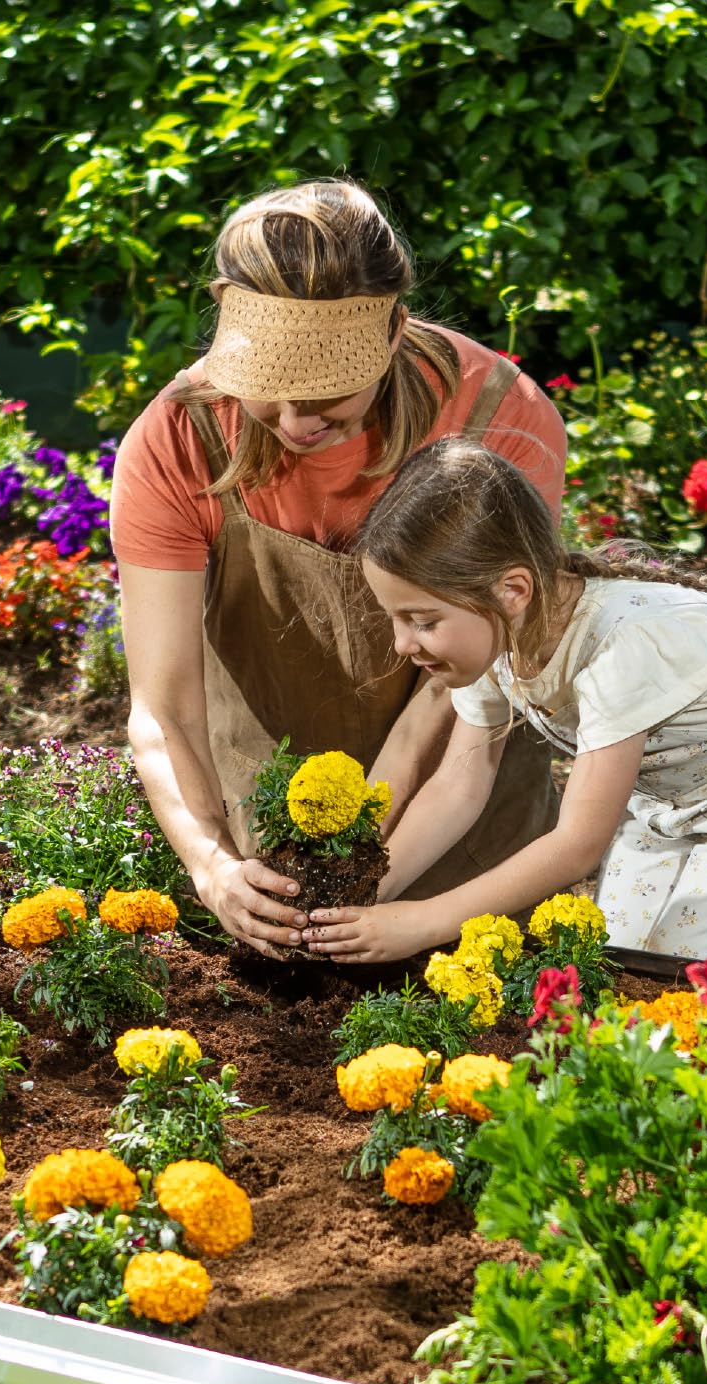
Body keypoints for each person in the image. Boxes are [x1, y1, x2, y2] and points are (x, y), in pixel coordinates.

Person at [111, 180, 567, 957]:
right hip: (270, 808)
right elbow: (164, 707)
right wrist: (214, 866)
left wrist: (364, 868)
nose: (296, 423)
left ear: (393, 328)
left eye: (328, 396)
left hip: (464, 806)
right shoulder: (180, 439)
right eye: (269, 394)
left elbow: (455, 692)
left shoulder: (498, 418)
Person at [302, 440, 707, 967]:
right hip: (673, 797)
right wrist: (371, 889)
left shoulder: (621, 651)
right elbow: (457, 788)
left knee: (681, 977)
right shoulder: (501, 638)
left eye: (422, 621)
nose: (403, 644)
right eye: (396, 619)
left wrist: (423, 923)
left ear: (512, 590)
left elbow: (577, 846)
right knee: (618, 962)